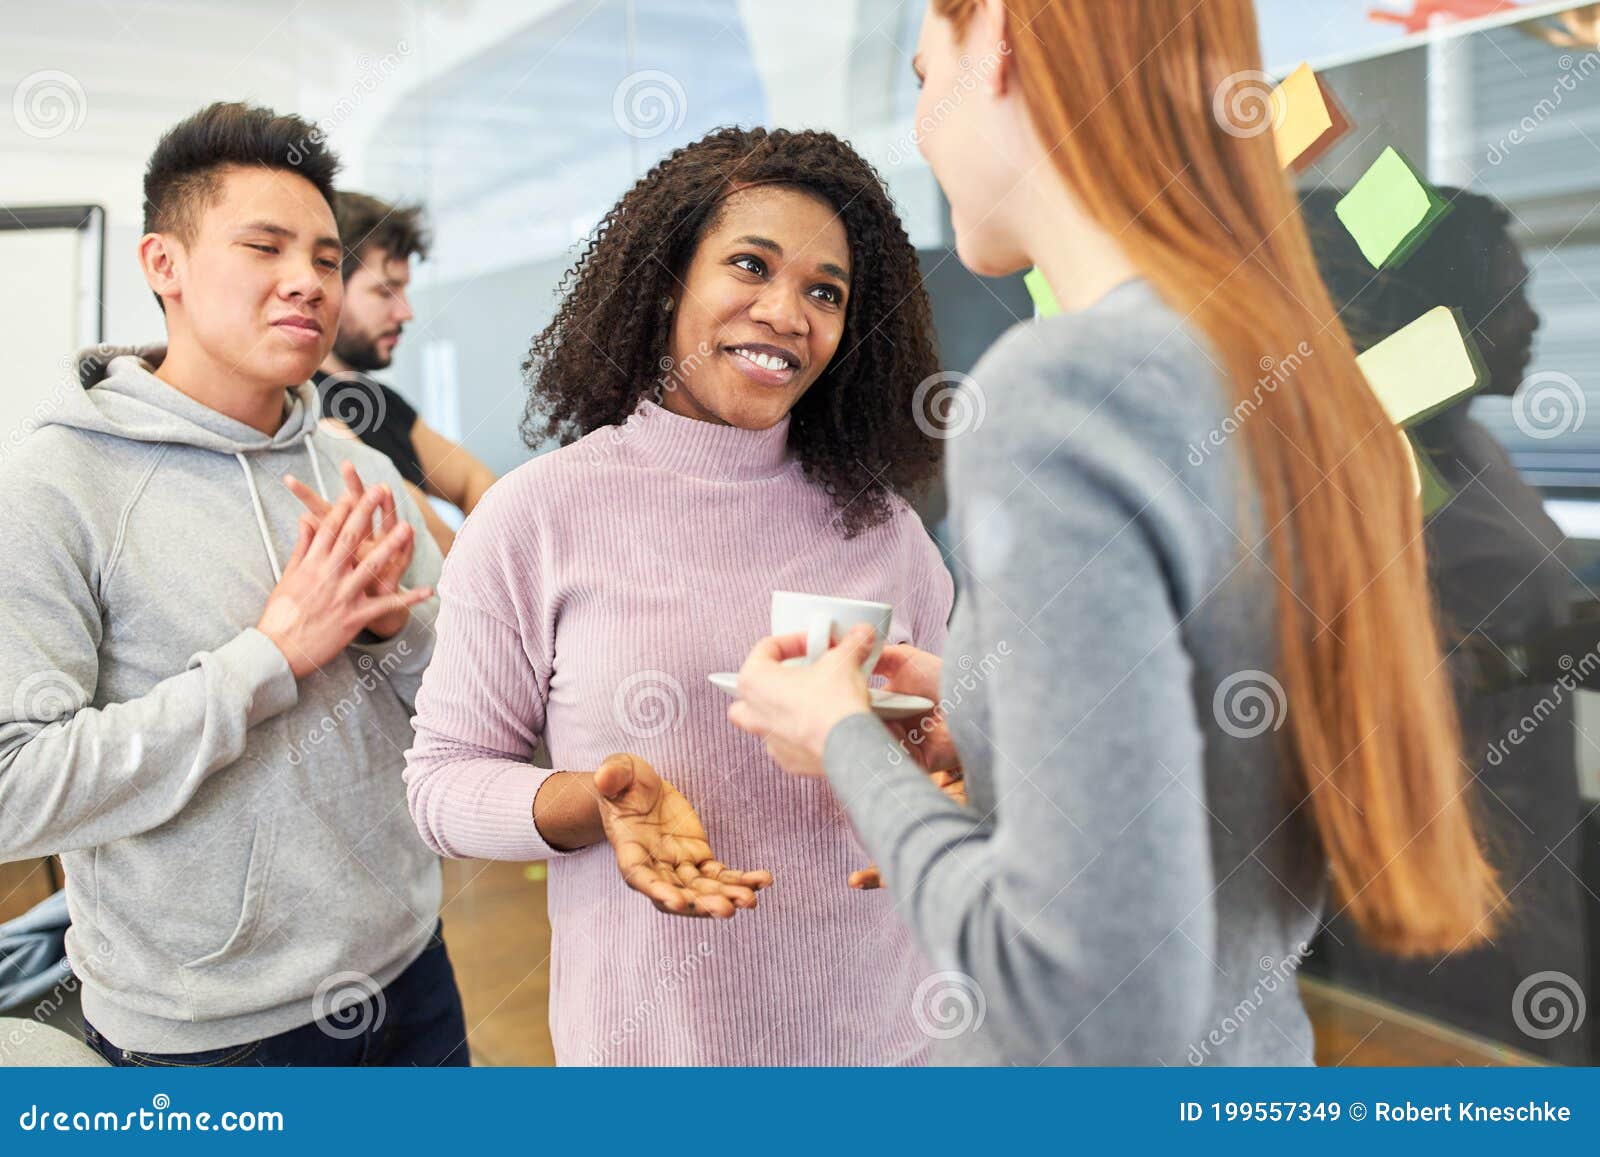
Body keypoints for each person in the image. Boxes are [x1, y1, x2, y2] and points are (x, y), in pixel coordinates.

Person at [729, 0, 1503, 1065]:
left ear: (994, 35)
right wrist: (980, 710)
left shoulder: (1061, 389)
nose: (922, 128)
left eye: (922, 78)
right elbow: (1214, 769)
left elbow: (1089, 1003)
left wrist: (843, 738)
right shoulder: (1283, 379)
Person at [404, 126, 956, 1064]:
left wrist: (952, 779)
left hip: (895, 1048)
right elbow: (441, 783)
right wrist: (592, 802)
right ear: (668, 281)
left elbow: (939, 743)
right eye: (751, 265)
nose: (788, 312)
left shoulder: (885, 528)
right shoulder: (537, 515)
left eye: (826, 291)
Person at [0, 102, 466, 1066]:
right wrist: (269, 656)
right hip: (209, 1034)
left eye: (329, 259)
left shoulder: (363, 472)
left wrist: (393, 639)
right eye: (264, 247)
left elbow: (452, 717)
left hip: (412, 973)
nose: (308, 282)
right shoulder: (58, 487)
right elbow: (14, 790)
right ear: (162, 264)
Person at [1299, 187, 1589, 1063]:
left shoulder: (1468, 444)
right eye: (1509, 298)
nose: (1535, 320)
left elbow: (1525, 591)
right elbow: (1348, 671)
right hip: (1417, 842)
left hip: (1527, 820)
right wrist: (1532, 655)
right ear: (1441, 321)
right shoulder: (1361, 467)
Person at [316, 191, 497, 553]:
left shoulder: (382, 402)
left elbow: (474, 481)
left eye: (404, 290)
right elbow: (428, 542)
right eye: (385, 292)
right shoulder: (301, 407)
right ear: (328, 287)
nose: (406, 312)